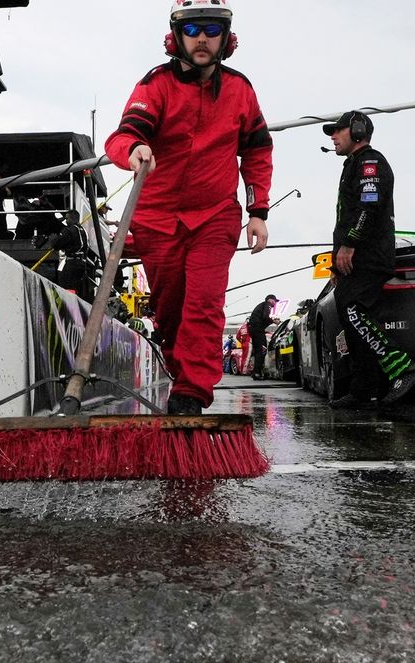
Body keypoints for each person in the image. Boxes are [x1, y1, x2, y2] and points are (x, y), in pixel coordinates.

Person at [104, 0, 272, 416]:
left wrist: (258, 212)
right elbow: (123, 135)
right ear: (177, 35)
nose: (201, 38)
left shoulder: (241, 90)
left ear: (225, 37)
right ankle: (182, 378)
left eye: (211, 29)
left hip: (215, 215)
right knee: (170, 313)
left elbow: (257, 151)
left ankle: (192, 394)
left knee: (204, 302)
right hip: (157, 218)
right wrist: (135, 148)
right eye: (192, 29)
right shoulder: (155, 84)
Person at [323, 110, 415, 408]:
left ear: (357, 131)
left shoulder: (371, 162)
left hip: (367, 257)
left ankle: (403, 369)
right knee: (349, 316)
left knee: (354, 311)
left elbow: (369, 206)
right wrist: (336, 262)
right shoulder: (353, 164)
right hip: (354, 259)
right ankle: (364, 389)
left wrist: (350, 244)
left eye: (338, 130)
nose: (333, 136)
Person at [247, 294, 278, 379]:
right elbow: (265, 317)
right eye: (274, 301)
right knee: (262, 350)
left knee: (258, 351)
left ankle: (256, 372)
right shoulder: (267, 305)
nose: (275, 303)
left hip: (253, 330)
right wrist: (274, 321)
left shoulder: (261, 306)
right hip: (258, 330)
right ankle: (257, 373)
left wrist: (271, 321)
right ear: (270, 300)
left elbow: (263, 320)